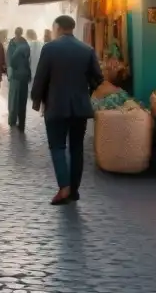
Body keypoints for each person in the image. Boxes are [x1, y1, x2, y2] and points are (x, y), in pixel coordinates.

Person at [31, 15, 103, 206]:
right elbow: (98, 78)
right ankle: (74, 190)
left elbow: (41, 77)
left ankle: (64, 188)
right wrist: (85, 93)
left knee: (57, 146)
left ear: (58, 28)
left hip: (56, 106)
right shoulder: (87, 49)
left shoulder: (50, 48)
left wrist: (37, 99)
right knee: (77, 148)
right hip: (80, 107)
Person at [6, 27, 31, 132]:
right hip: (23, 75)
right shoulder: (25, 44)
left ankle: (13, 120)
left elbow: (10, 60)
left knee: (14, 98)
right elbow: (28, 59)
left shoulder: (13, 44)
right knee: (21, 100)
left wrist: (10, 70)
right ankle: (21, 123)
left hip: (16, 76)